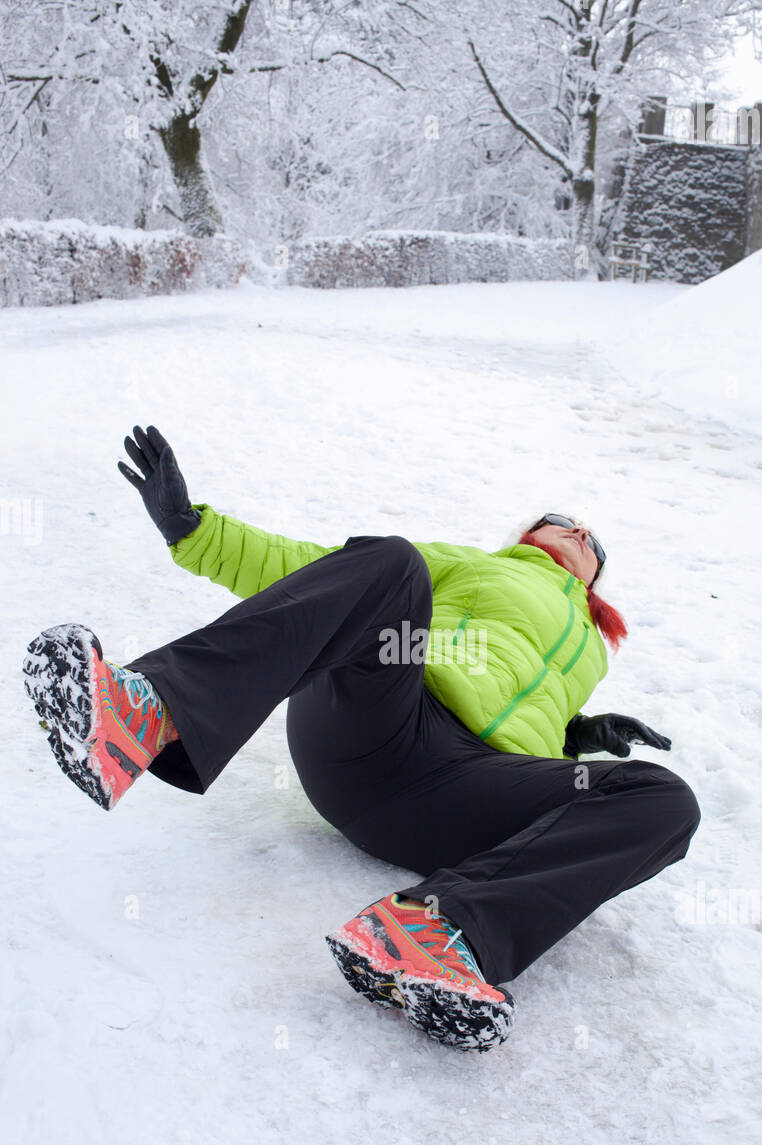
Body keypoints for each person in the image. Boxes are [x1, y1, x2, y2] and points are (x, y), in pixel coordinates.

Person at [23, 425, 701, 1053]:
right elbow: (309, 571)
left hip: (460, 796)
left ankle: (438, 934)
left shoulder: (591, 655)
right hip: (378, 724)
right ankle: (142, 715)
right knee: (392, 566)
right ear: (527, 535)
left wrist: (574, 736)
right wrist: (195, 531)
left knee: (666, 800)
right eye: (560, 520)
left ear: (595, 583)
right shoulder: (476, 566)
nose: (578, 530)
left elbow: (534, 735)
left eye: (592, 540)